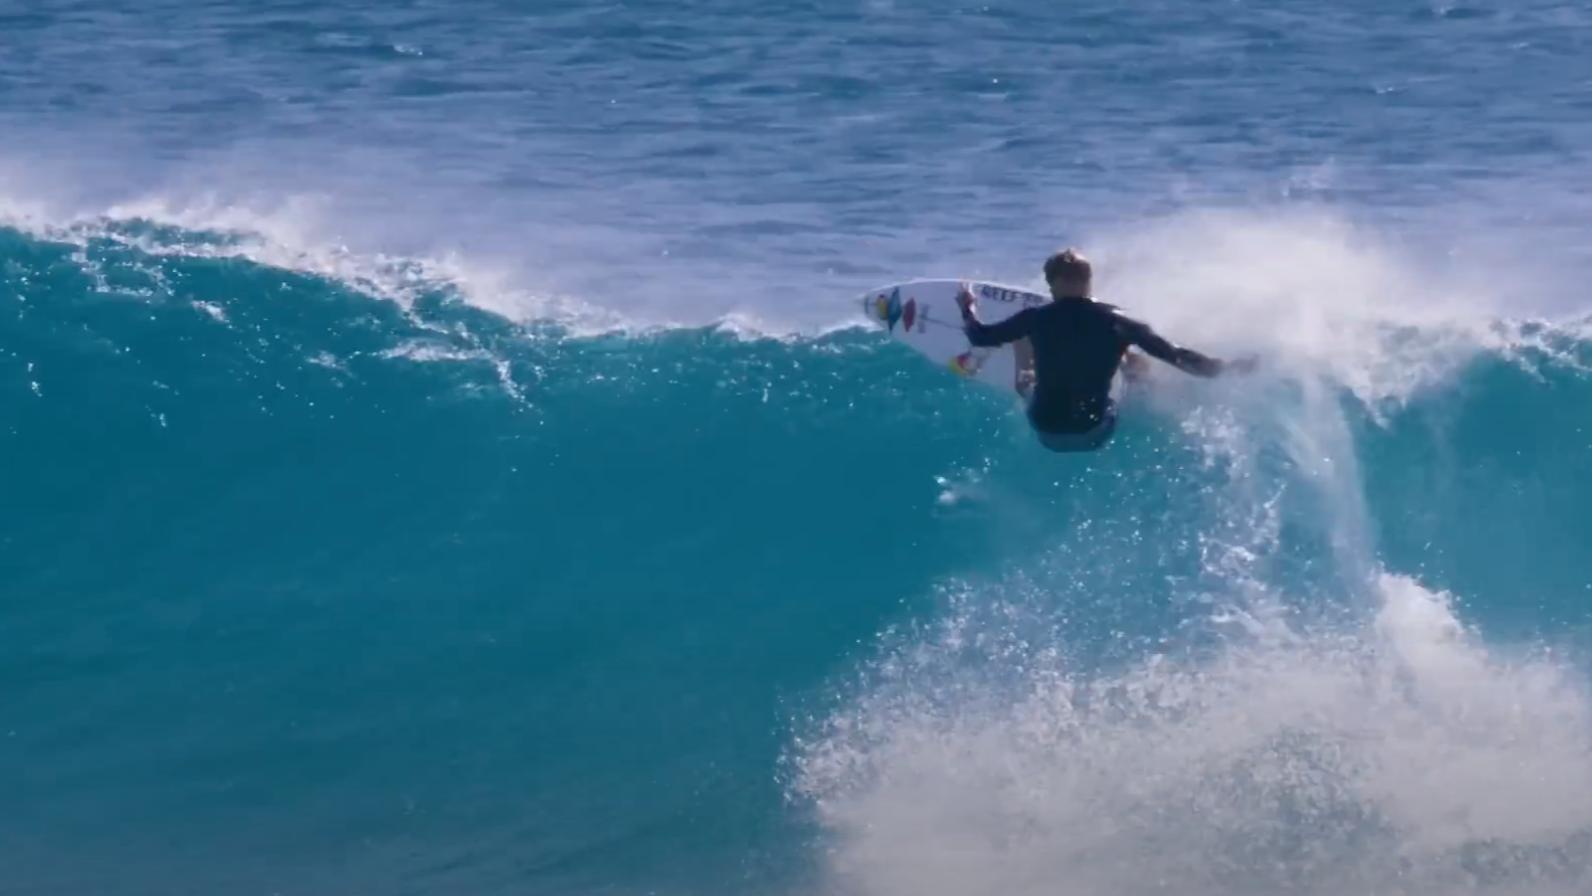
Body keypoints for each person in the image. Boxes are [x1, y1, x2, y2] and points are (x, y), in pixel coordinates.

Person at [955, 248, 1254, 453]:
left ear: (1052, 283)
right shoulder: (1119, 321)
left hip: (1047, 432)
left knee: (1025, 378)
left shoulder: (1034, 318)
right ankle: (1130, 369)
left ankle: (1023, 352)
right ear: (1088, 281)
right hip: (1095, 432)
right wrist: (1225, 368)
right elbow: (1175, 355)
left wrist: (967, 307)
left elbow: (979, 337)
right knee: (1129, 354)